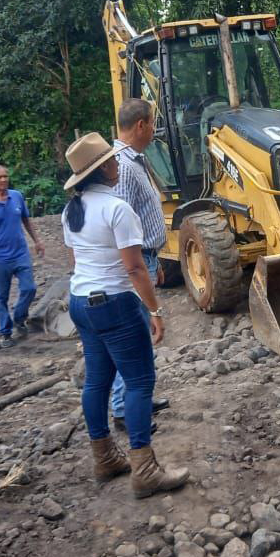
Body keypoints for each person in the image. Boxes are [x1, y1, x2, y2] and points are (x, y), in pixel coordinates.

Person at [63, 132, 189, 498]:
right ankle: (144, 470)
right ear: (102, 168)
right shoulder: (117, 209)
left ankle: (105, 458)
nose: (117, 163)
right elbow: (135, 270)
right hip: (115, 303)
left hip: (81, 301)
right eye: (112, 160)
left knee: (96, 382)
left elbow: (75, 260)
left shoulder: (72, 210)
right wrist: (155, 309)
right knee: (138, 383)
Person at [109, 99, 170, 431]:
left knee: (141, 336)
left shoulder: (133, 162)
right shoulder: (122, 166)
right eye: (152, 123)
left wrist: (154, 260)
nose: (154, 129)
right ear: (141, 126)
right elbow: (121, 223)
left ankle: (139, 399)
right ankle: (123, 409)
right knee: (133, 336)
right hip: (135, 261)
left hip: (146, 257)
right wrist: (139, 266)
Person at [0, 165, 45, 348]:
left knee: (29, 288)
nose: (4, 180)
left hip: (20, 253)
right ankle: (5, 333)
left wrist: (37, 241)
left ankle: (19, 318)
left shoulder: (17, 196)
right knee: (0, 297)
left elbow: (26, 220)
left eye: (6, 176)